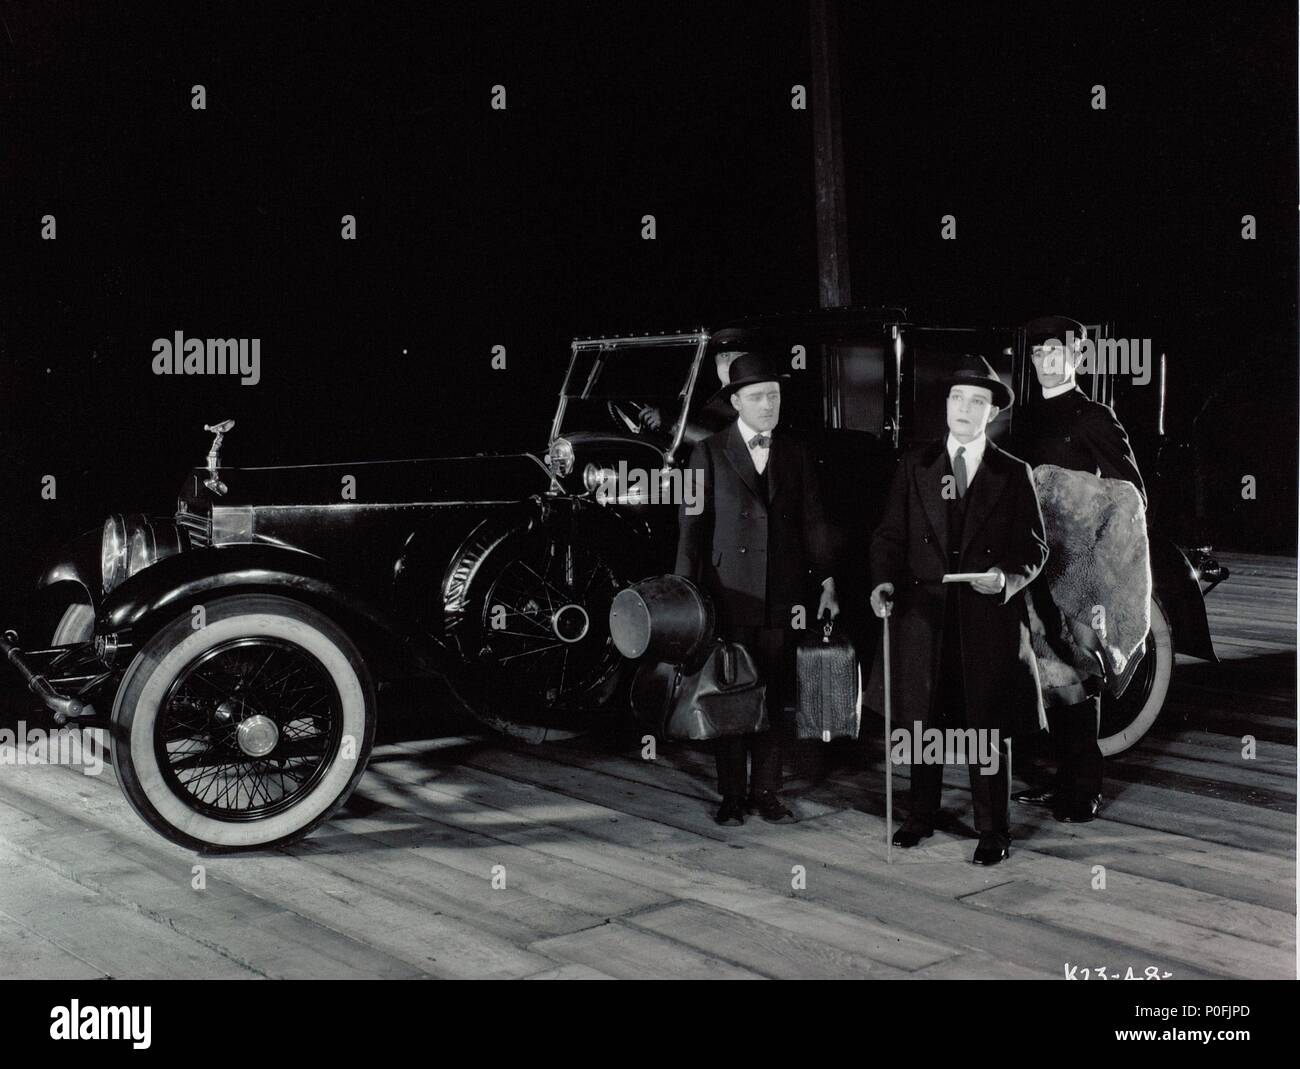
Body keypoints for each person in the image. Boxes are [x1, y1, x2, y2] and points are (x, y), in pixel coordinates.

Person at [867, 355, 1048, 865]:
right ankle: (920, 815)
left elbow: (1035, 551)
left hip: (985, 623)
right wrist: (882, 583)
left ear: (991, 414)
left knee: (984, 726)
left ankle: (993, 830)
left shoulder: (1013, 474)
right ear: (945, 405)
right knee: (922, 721)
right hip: (922, 619)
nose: (964, 409)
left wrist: (1005, 580)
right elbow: (888, 536)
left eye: (977, 402)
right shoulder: (914, 465)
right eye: (956, 398)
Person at [675, 351, 839, 826]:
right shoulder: (705, 453)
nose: (769, 404)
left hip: (784, 598)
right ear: (736, 402)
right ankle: (731, 795)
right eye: (758, 397)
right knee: (732, 695)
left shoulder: (796, 452)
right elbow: (691, 533)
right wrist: (687, 598)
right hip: (729, 595)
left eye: (775, 395)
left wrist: (827, 579)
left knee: (774, 693)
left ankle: (768, 791)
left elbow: (813, 522)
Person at [1010, 315, 1146, 823]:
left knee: (1077, 672)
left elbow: (1131, 498)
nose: (1046, 362)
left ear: (1079, 359)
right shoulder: (1021, 419)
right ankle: (1061, 781)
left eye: (1056, 352)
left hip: (1076, 569)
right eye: (1039, 353)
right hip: (1031, 566)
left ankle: (1083, 789)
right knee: (1045, 673)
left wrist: (1096, 566)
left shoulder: (1095, 417)